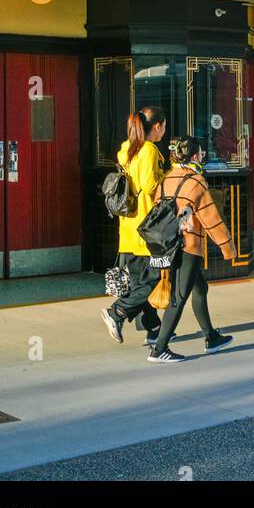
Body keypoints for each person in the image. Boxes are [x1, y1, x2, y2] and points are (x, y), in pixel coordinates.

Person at [148, 136, 237, 364]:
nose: (203, 157)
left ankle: (211, 337)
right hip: (189, 246)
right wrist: (228, 248)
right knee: (178, 297)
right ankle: (159, 349)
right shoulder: (196, 182)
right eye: (201, 153)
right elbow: (210, 219)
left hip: (168, 246)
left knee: (200, 288)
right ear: (194, 156)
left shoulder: (166, 180)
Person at [101, 106, 167, 346]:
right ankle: (117, 312)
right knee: (155, 280)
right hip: (147, 228)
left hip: (128, 227)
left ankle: (153, 329)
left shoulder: (126, 149)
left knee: (142, 281)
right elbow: (150, 185)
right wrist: (169, 176)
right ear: (157, 126)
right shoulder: (148, 150)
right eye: (164, 126)